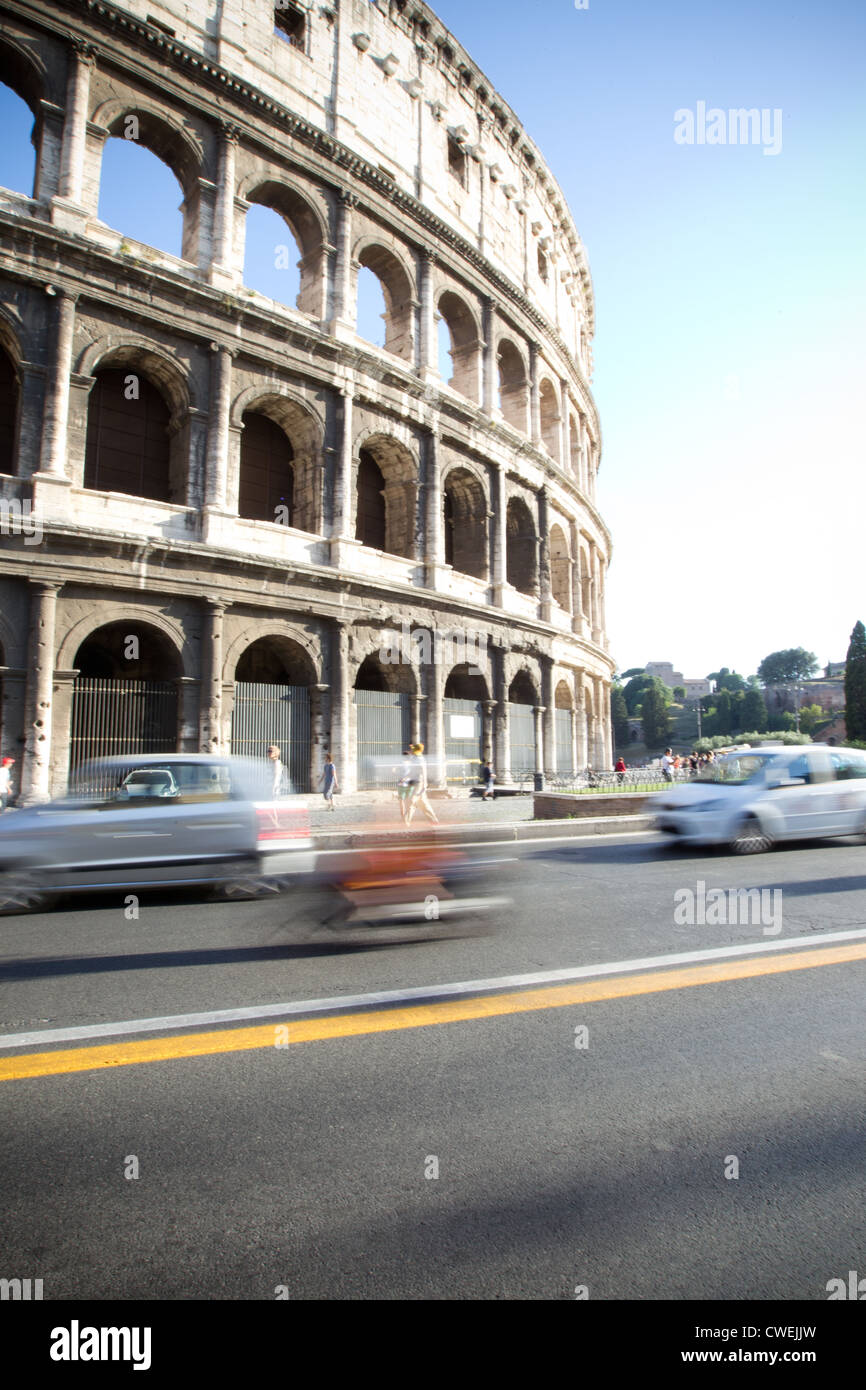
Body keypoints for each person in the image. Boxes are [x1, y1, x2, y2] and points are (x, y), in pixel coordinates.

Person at [404, 742, 439, 826]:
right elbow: (412, 770)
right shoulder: (414, 758)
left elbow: (424, 771)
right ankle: (434, 820)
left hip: (419, 783)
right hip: (415, 783)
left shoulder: (420, 759)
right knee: (423, 803)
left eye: (412, 749)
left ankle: (405, 822)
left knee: (411, 802)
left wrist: (424, 785)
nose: (410, 750)